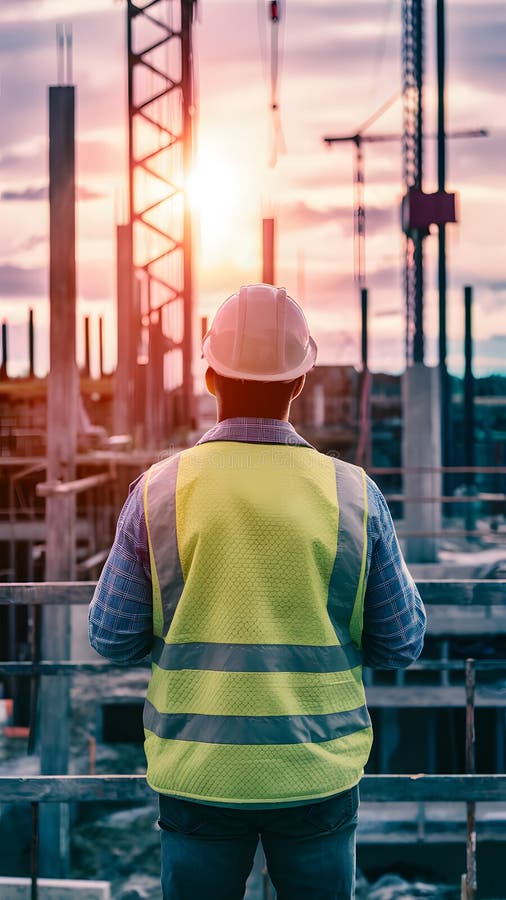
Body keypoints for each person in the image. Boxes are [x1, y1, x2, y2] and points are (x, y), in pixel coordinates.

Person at [89, 283, 426, 900]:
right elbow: (400, 643)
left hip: (199, 774)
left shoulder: (158, 492)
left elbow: (111, 637)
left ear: (211, 376)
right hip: (315, 773)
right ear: (299, 383)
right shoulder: (353, 495)